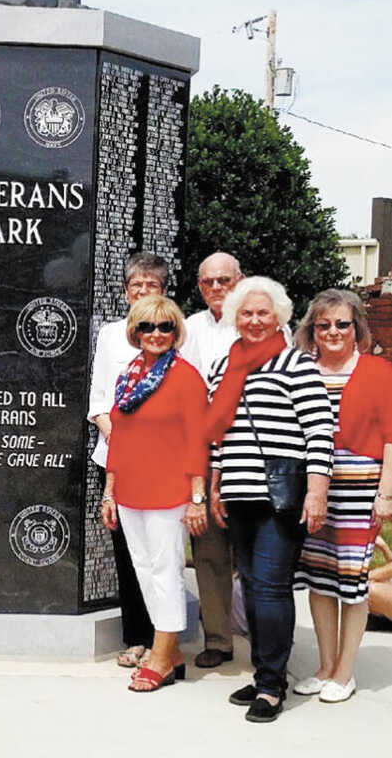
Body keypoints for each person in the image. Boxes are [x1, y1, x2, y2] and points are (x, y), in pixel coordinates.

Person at [207, 276, 333, 723]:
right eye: (246, 313)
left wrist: (317, 491)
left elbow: (320, 429)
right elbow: (217, 436)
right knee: (252, 587)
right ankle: (265, 671)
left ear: (278, 316)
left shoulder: (296, 364)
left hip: (281, 496)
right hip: (239, 492)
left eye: (263, 313)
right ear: (234, 317)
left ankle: (273, 686)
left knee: (270, 588)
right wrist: (216, 485)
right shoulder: (224, 367)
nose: (255, 320)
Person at [100, 295, 208, 691]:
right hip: (129, 488)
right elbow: (118, 439)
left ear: (176, 331)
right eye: (147, 327)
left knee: (166, 572)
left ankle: (161, 655)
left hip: (169, 490)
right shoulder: (128, 376)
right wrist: (109, 491)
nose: (156, 334)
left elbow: (198, 440)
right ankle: (172, 650)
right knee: (145, 571)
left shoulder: (186, 377)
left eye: (165, 327)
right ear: (135, 332)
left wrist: (197, 497)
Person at [292, 289, 392, 703]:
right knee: (319, 577)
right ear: (311, 330)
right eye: (323, 324)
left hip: (360, 491)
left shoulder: (377, 371)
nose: (332, 332)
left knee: (352, 582)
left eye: (342, 324)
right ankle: (325, 665)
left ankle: (345, 671)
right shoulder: (301, 370)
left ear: (356, 330)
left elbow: (391, 440)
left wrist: (385, 495)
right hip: (312, 494)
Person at [87, 252, 168, 667]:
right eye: (135, 285)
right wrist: (122, 437)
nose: (141, 291)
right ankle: (135, 637)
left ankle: (162, 640)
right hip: (117, 459)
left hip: (163, 463)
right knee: (128, 552)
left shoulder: (172, 333)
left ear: (164, 292)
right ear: (124, 292)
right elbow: (99, 401)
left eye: (150, 285)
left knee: (161, 553)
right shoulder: (110, 335)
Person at [183, 252, 244, 669]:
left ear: (240, 280)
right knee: (209, 549)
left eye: (224, 280)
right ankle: (219, 638)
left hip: (250, 451)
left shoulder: (262, 322)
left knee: (257, 549)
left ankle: (267, 636)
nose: (216, 288)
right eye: (208, 282)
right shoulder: (188, 328)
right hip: (201, 448)